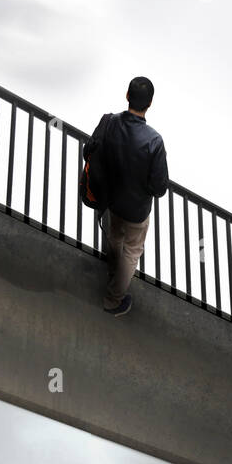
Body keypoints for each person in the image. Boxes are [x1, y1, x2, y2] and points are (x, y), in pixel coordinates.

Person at [85, 76, 169, 316]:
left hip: (110, 200)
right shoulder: (154, 141)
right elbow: (159, 187)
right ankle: (113, 299)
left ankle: (112, 271)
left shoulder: (109, 122)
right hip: (136, 209)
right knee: (132, 251)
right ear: (150, 103)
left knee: (114, 238)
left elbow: (89, 150)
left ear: (127, 95)